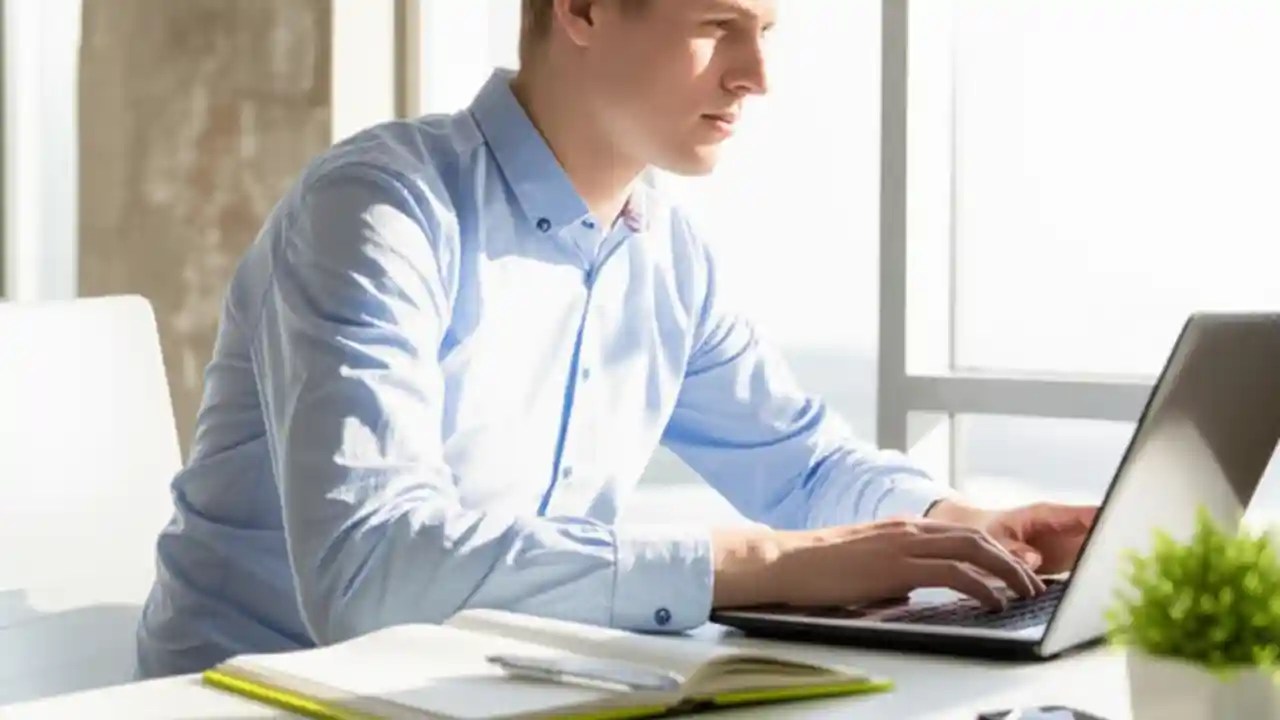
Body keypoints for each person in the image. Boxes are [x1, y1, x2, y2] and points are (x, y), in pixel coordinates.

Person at [135, 0, 1096, 678]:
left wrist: (955, 525)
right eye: (717, 25)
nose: (755, 76)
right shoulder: (381, 209)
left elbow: (799, 462)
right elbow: (369, 570)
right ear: (583, 7)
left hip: (494, 688)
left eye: (764, 31)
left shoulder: (661, 250)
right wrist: (761, 568)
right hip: (261, 697)